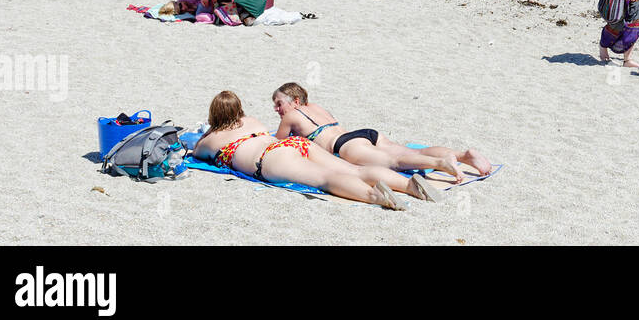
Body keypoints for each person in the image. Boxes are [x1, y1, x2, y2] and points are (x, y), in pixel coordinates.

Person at [192, 91, 438, 207]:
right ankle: (409, 186)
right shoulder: (252, 121)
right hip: (292, 144)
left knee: (326, 179)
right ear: (239, 110)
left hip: (269, 160)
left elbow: (196, 154)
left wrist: (208, 130)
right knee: (352, 169)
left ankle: (376, 197)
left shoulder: (211, 139)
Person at [271, 83, 490, 180]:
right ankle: (463, 155)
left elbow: (276, 144)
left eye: (279, 104)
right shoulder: (316, 107)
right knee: (407, 151)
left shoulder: (292, 116)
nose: (277, 109)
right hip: (366, 134)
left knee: (395, 163)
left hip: (345, 146)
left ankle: (441, 164)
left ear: (296, 101)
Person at [158, 0, 242, 25]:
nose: (183, 8)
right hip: (215, 9)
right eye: (181, 11)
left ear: (177, 1)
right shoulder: (185, 14)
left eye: (180, 5)